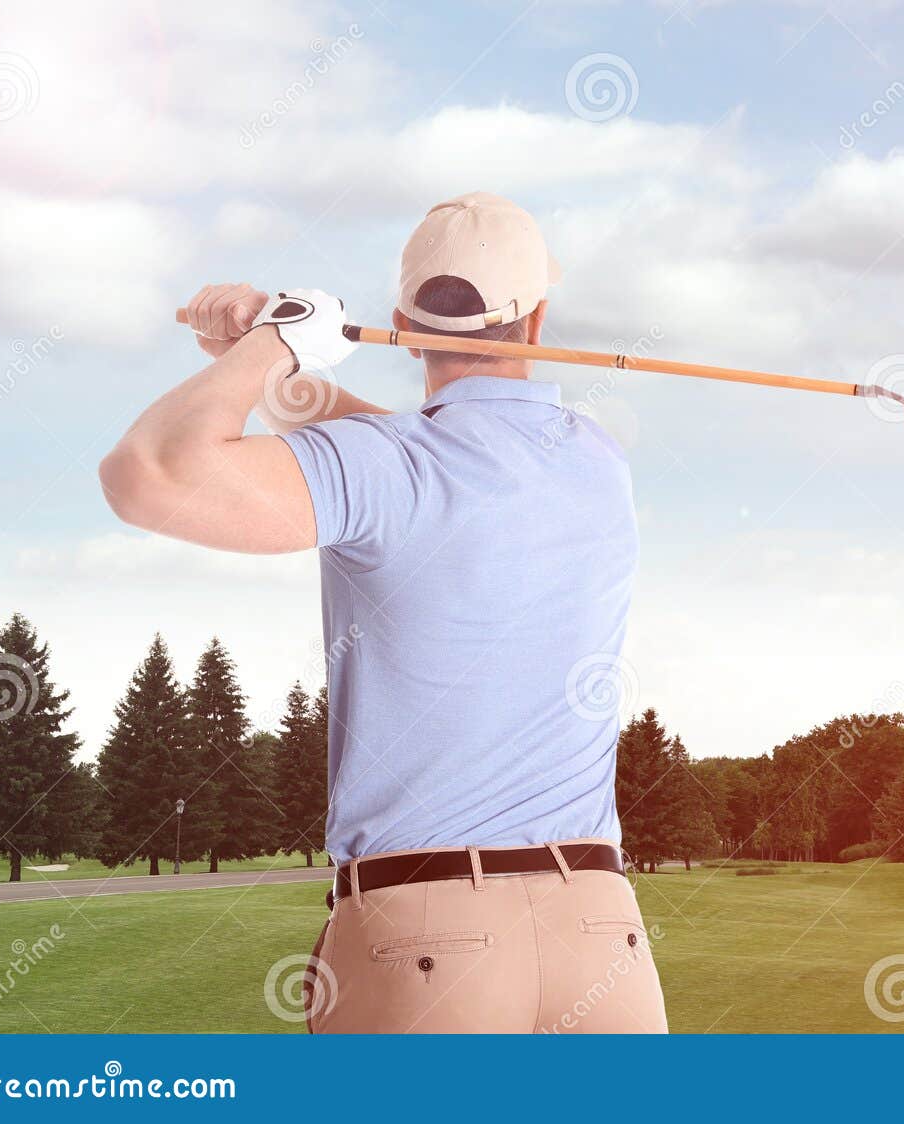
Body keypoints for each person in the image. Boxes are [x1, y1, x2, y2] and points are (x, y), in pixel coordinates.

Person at [99, 192, 666, 1033]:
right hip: (602, 937)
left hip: (426, 944)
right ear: (540, 317)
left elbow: (145, 472)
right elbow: (430, 456)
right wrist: (277, 368)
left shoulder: (385, 468)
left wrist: (267, 348)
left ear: (403, 317)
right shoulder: (595, 462)